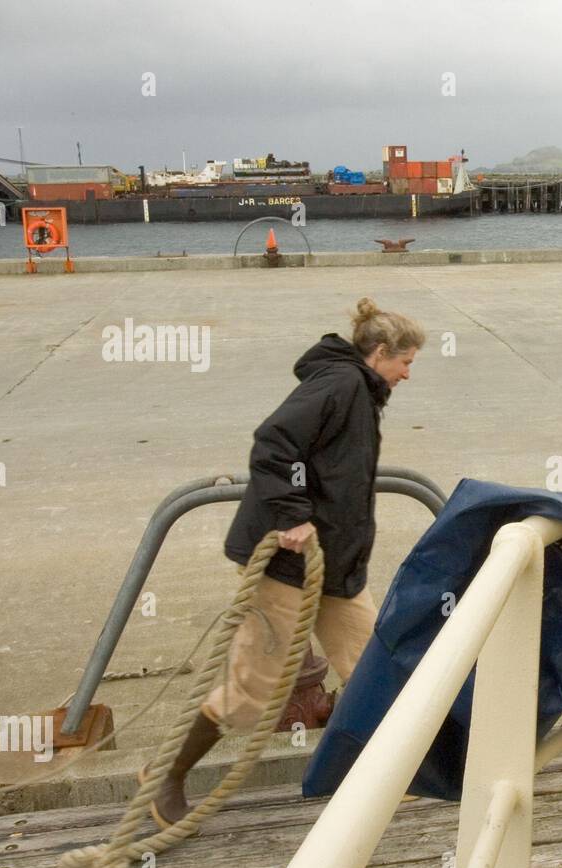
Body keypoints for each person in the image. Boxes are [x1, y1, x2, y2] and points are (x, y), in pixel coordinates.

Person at [143, 298, 426, 828]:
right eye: (405, 362)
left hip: (335, 568)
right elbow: (274, 444)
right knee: (254, 686)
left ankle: (379, 772)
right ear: (381, 352)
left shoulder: (363, 392)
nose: (408, 374)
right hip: (287, 564)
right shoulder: (339, 386)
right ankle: (164, 776)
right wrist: (293, 513)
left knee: (371, 664)